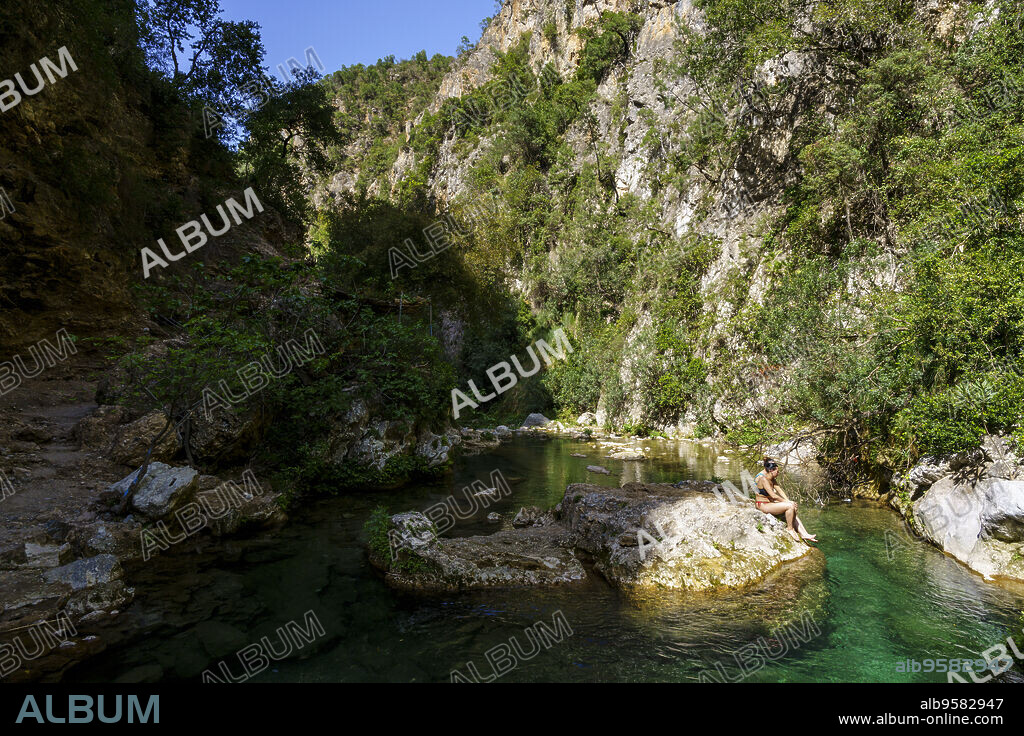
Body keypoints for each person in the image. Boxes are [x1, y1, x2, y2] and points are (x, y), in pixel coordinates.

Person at [754, 457, 817, 543]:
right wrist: (787, 502)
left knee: (792, 508)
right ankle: (789, 529)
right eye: (777, 471)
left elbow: (779, 490)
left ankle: (804, 534)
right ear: (771, 470)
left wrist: (789, 501)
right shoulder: (763, 479)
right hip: (763, 505)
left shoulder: (772, 479)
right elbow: (773, 495)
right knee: (789, 506)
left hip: (769, 503)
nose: (778, 473)